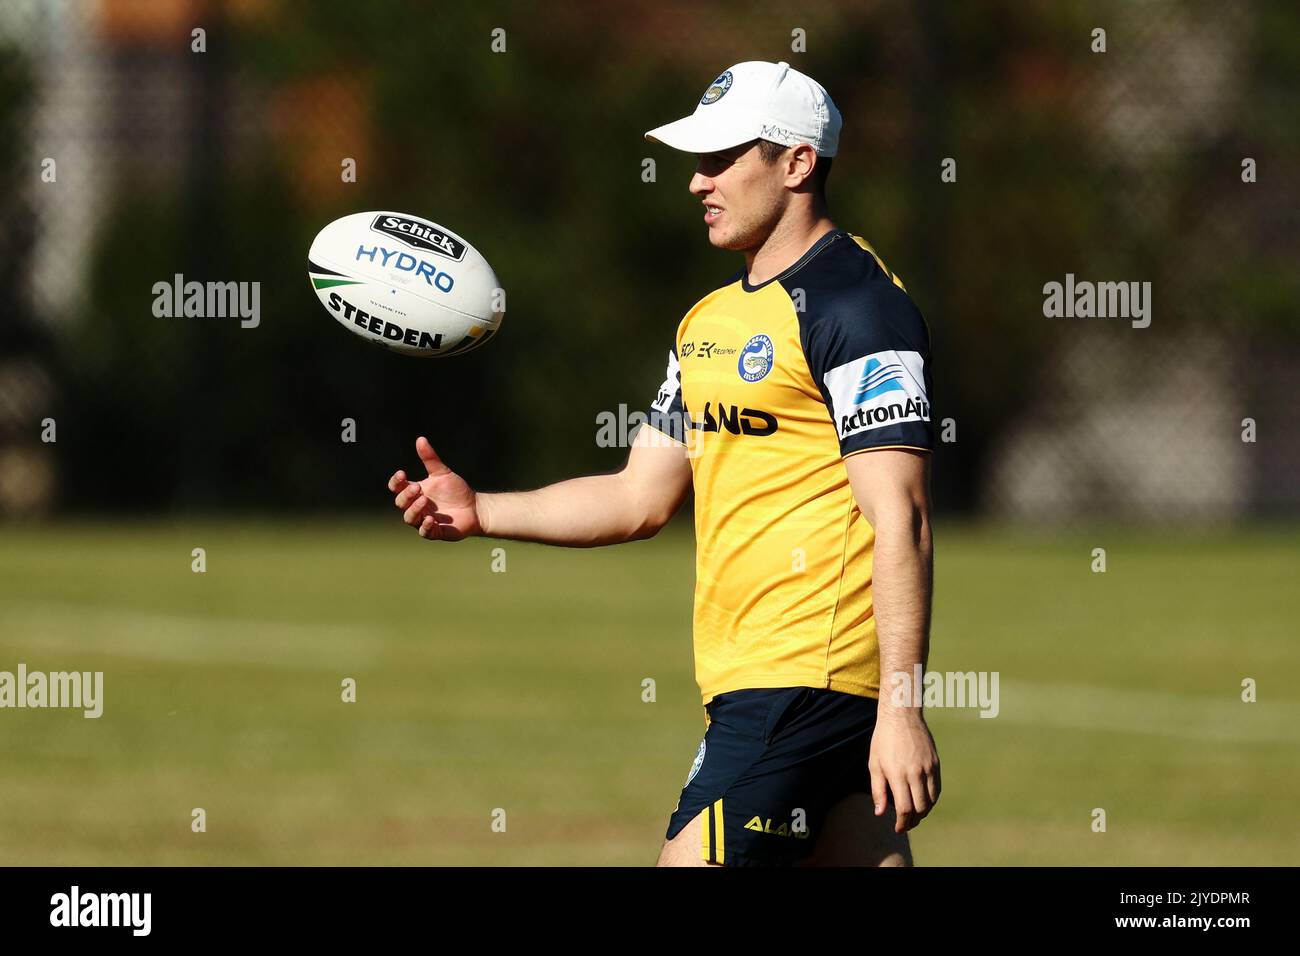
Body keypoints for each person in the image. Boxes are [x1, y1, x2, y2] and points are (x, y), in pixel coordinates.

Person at [386, 60, 940, 867]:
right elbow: (639, 496)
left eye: (720, 159)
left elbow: (904, 515)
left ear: (796, 163)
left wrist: (902, 708)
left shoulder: (859, 307)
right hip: (759, 686)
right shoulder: (708, 321)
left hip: (800, 684)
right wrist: (483, 512)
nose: (696, 181)